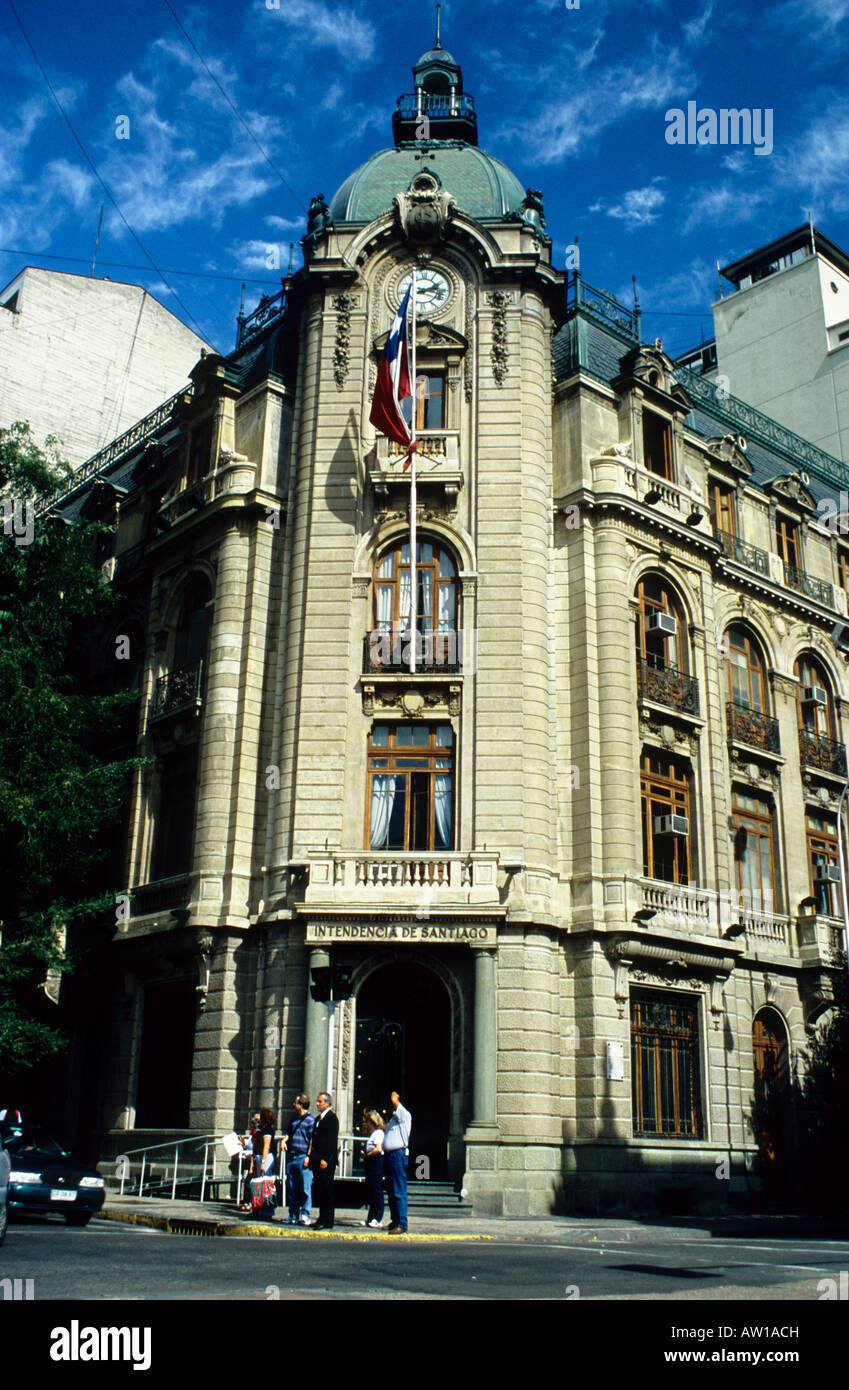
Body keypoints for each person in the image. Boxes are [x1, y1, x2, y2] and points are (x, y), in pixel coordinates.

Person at [306, 1091, 339, 1229]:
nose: (317, 1104)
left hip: (326, 1159)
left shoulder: (331, 1118)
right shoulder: (318, 1118)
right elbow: (315, 1138)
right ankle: (321, 1217)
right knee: (320, 1189)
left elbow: (331, 1141)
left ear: (328, 1103)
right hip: (317, 1158)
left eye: (320, 1101)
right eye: (317, 1101)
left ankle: (328, 1219)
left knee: (327, 1189)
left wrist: (325, 1158)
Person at [281, 1094, 314, 1226]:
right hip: (292, 1156)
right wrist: (284, 1140)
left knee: (305, 1187)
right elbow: (289, 1134)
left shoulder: (311, 1120)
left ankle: (305, 1214)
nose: (293, 1105)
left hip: (303, 1156)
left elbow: (312, 1140)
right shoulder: (293, 1119)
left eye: (295, 1103)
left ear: (301, 1104)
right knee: (292, 1187)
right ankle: (293, 1214)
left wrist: (308, 1156)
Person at [382, 1090, 411, 1233]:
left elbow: (395, 1102)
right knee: (391, 1190)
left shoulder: (404, 1115)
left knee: (399, 1190)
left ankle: (402, 1223)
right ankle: (395, 1220)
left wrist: (395, 1098)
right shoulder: (393, 1119)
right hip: (389, 1155)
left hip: (398, 1155)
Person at [250, 1106, 278, 1219]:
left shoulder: (268, 1130)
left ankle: (267, 1210)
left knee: (266, 1184)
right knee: (260, 1184)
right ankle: (259, 1208)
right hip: (261, 1156)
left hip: (266, 1157)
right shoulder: (262, 1129)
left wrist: (262, 1162)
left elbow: (266, 1146)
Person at [361, 1109, 385, 1229]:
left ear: (373, 1121)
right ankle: (371, 1218)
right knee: (371, 1191)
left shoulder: (378, 1133)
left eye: (367, 1121)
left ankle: (377, 1218)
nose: (366, 1124)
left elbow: (378, 1149)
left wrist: (367, 1155)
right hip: (371, 1164)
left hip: (375, 1164)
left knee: (376, 1191)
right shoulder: (373, 1134)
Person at [237, 1112, 260, 1211]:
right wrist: (243, 1142)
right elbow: (250, 1144)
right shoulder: (252, 1134)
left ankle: (250, 1203)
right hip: (251, 1159)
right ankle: (247, 1202)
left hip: (254, 1160)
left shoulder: (258, 1133)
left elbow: (255, 1148)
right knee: (247, 1182)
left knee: (250, 1182)